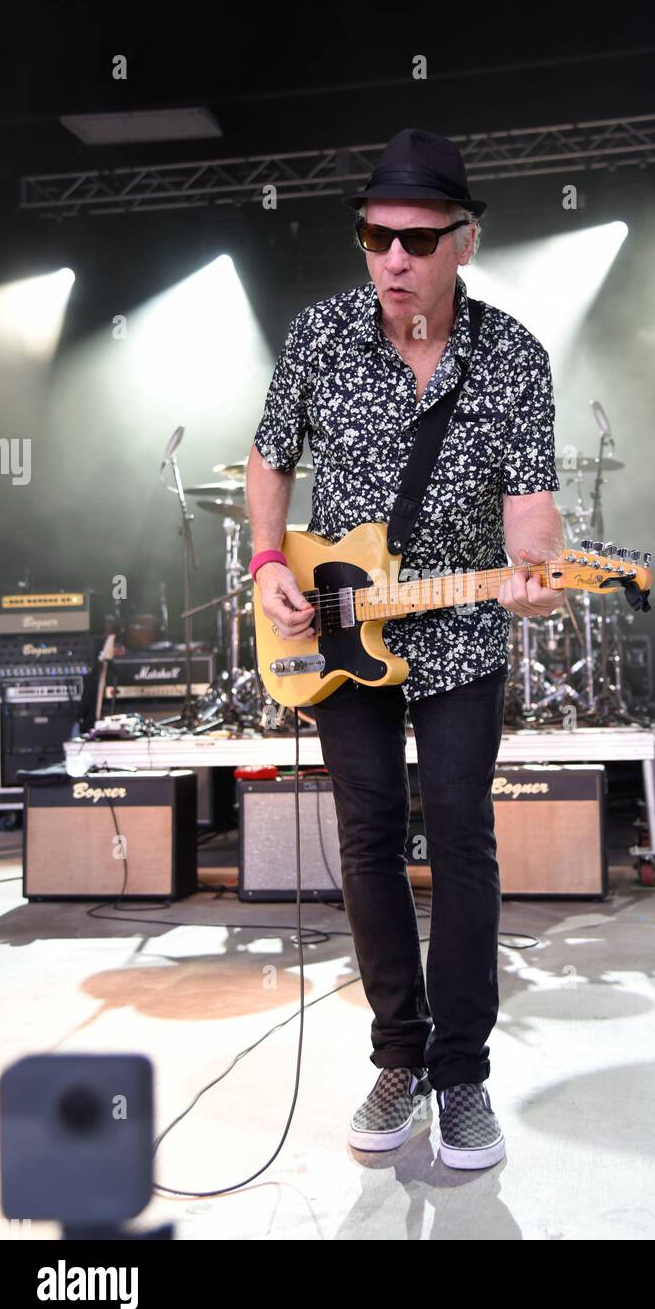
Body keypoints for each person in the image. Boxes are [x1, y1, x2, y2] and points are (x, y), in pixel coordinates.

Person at [246, 127, 564, 1170]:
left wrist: (531, 577)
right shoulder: (318, 337)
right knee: (368, 838)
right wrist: (265, 564)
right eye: (377, 236)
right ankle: (399, 1055)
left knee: (464, 842)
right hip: (339, 631)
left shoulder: (513, 355)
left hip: (464, 632)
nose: (393, 259)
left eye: (417, 241)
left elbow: (532, 516)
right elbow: (267, 457)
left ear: (464, 242)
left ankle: (463, 1073)